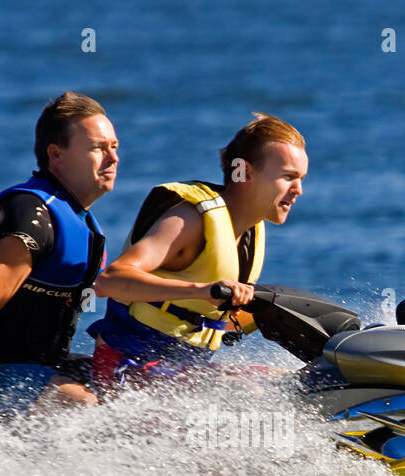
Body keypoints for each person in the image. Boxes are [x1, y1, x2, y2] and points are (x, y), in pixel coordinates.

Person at [87, 113, 306, 392]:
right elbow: (109, 281)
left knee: (296, 383)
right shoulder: (190, 220)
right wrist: (201, 290)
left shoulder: (249, 232)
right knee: (256, 392)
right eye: (288, 177)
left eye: (301, 178)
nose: (298, 189)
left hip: (181, 371)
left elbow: (202, 319)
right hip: (128, 366)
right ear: (245, 171)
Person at [0, 91, 117, 412]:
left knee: (136, 390)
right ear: (57, 155)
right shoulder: (30, 215)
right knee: (89, 409)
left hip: (44, 368)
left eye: (114, 147)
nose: (113, 157)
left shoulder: (85, 223)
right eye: (98, 148)